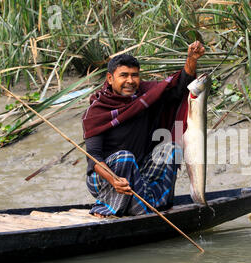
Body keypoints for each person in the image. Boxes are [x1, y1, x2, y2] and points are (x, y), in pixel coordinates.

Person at [82, 41, 205, 218]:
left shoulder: (145, 96)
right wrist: (113, 179)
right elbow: (94, 158)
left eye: (134, 75)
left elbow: (178, 88)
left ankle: (157, 203)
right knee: (124, 158)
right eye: (123, 75)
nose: (130, 81)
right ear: (110, 78)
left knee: (170, 149)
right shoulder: (96, 112)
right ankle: (111, 205)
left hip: (139, 171)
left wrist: (191, 59)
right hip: (104, 178)